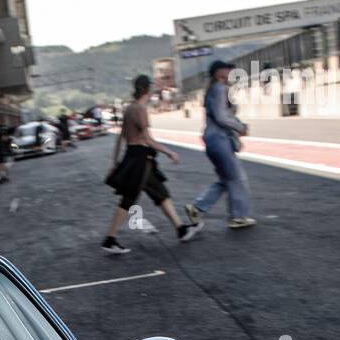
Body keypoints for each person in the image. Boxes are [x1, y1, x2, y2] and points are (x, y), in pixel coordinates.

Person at [103, 74, 201, 255]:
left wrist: (114, 161)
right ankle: (110, 239)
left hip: (135, 157)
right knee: (129, 199)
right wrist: (169, 152)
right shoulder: (140, 109)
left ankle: (181, 229)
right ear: (148, 89)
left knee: (160, 193)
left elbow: (121, 137)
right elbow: (147, 139)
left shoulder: (129, 108)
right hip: (140, 158)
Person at [190, 60, 257, 230]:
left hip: (214, 141)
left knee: (226, 179)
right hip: (219, 140)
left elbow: (223, 115)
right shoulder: (219, 88)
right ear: (218, 72)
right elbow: (221, 117)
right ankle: (238, 217)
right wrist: (240, 127)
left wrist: (238, 125)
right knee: (236, 178)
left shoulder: (214, 89)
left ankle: (197, 208)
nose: (231, 72)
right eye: (228, 69)